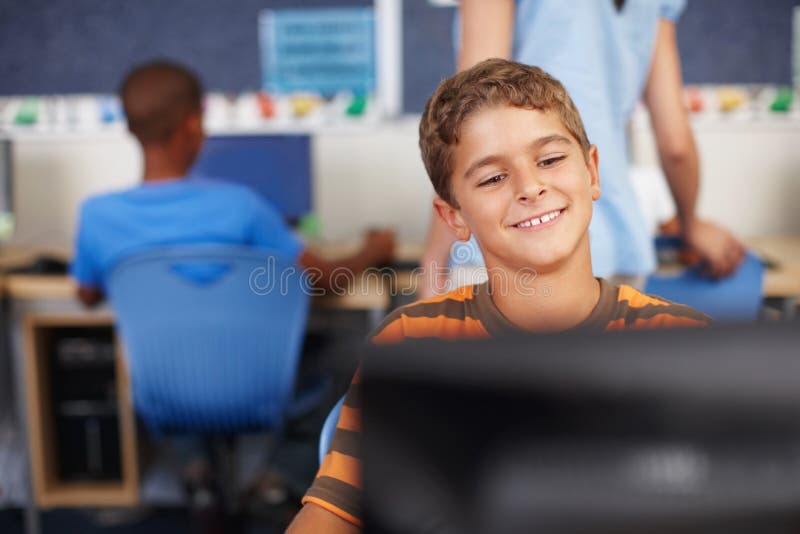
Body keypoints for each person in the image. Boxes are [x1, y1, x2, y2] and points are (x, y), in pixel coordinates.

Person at [286, 58, 711, 534]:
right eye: (492, 178)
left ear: (592, 171)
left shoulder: (681, 341)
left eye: (549, 159)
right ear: (453, 217)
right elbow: (331, 514)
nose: (531, 187)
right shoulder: (413, 346)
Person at [418, 0, 745, 299]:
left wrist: (434, 262)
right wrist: (690, 223)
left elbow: (464, 125)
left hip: (510, 257)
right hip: (617, 244)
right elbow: (675, 144)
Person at [71, 60, 394, 307]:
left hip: (157, 392)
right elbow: (324, 282)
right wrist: (372, 251)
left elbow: (87, 295)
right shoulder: (241, 207)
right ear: (194, 124)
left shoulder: (97, 216)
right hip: (254, 391)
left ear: (130, 127)